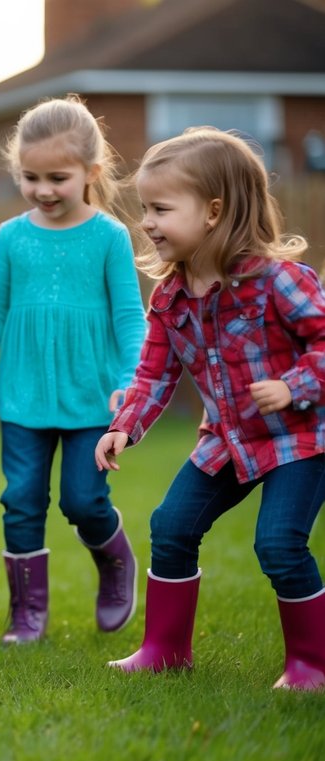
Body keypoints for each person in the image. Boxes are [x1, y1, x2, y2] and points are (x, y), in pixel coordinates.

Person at [96, 127, 325, 691]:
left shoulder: (278, 282)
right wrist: (125, 426)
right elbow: (153, 374)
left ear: (213, 212)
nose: (146, 222)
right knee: (171, 526)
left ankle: (311, 665)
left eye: (160, 209)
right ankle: (164, 650)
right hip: (228, 438)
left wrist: (293, 384)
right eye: (145, 208)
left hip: (298, 439)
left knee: (278, 543)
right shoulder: (170, 297)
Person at [0, 96, 147, 645]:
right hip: (24, 397)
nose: (43, 189)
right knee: (22, 500)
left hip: (92, 400)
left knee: (83, 501)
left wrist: (128, 384)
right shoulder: (11, 236)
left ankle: (114, 564)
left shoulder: (110, 237)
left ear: (92, 172)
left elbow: (132, 319)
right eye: (30, 177)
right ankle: (27, 614)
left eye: (58, 177)